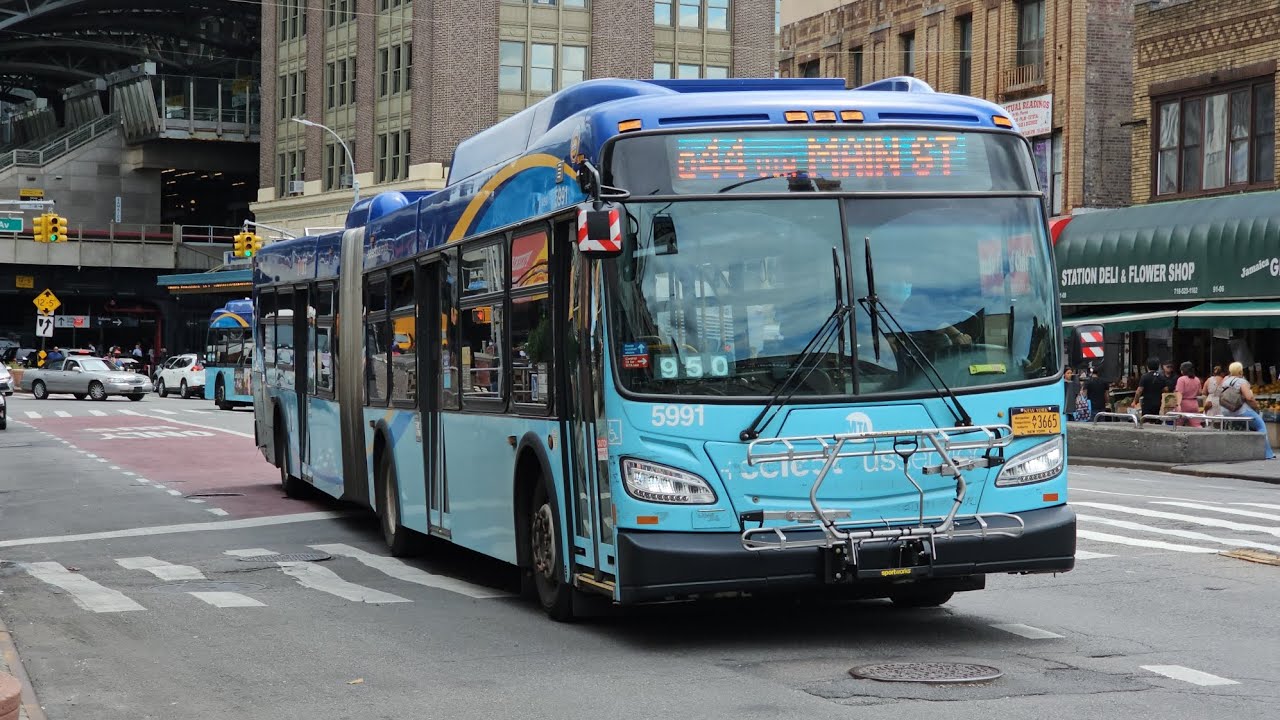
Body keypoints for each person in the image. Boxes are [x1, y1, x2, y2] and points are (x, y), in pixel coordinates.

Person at [1220, 361, 1275, 459]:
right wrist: (1256, 408)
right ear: (1240, 371)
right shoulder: (1242, 381)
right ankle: (1267, 454)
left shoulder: (1225, 380)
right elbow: (1249, 398)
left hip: (1226, 410)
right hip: (1240, 411)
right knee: (1261, 426)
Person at [1175, 362, 1202, 427]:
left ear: (1183, 370)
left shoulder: (1181, 379)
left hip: (1184, 403)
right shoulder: (1197, 379)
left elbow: (1179, 393)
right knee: (1196, 424)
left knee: (1178, 424)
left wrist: (1178, 404)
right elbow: (1199, 392)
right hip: (1194, 403)